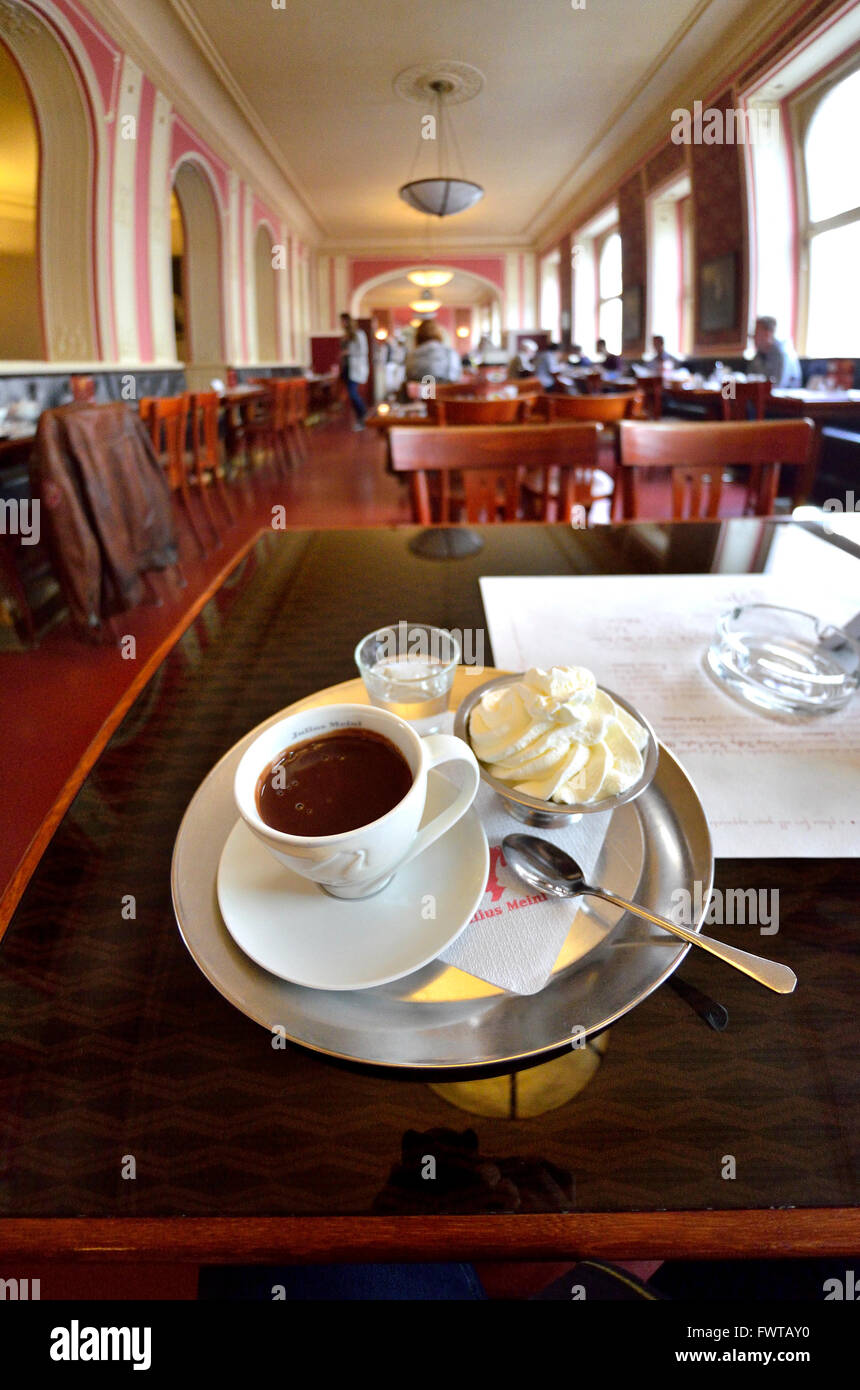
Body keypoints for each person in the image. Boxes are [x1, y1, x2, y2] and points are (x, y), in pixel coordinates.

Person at [749, 316, 802, 388]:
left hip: (785, 397)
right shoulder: (759, 354)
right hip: (765, 396)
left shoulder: (783, 354)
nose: (753, 337)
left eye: (757, 332)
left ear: (768, 333)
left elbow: (779, 385)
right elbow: (750, 379)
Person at [404, 319, 462, 385]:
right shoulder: (451, 352)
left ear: (417, 336)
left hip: (420, 393)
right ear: (439, 334)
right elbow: (456, 377)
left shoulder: (412, 355)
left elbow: (409, 377)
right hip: (447, 393)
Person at [339, 312, 369, 430]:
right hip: (347, 368)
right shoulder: (346, 335)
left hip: (355, 367)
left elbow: (363, 351)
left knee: (352, 393)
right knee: (350, 394)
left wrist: (348, 352)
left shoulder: (359, 334)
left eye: (342, 321)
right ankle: (360, 418)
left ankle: (364, 415)